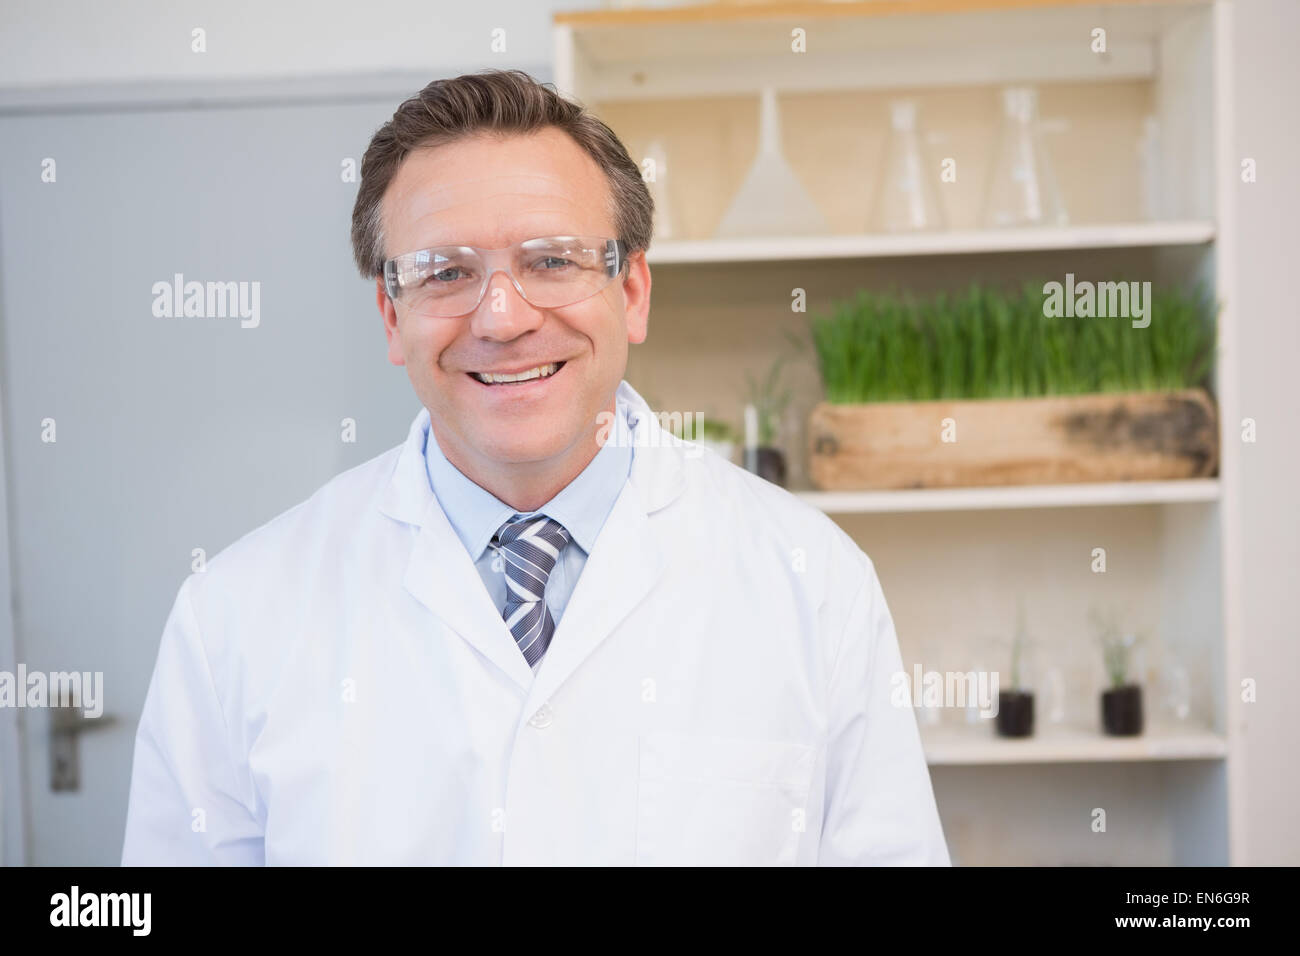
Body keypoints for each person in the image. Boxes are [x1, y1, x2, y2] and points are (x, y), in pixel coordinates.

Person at [121, 69, 949, 866]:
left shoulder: (814, 582)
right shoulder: (234, 616)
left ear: (631, 293)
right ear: (391, 313)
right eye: (447, 272)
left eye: (552, 261)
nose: (503, 317)